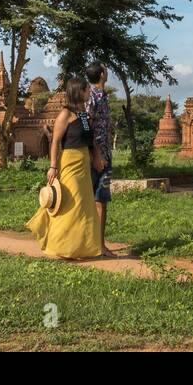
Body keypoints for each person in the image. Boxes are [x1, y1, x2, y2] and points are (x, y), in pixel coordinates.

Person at [26, 73, 105, 260]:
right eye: (86, 89)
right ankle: (60, 246)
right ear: (79, 92)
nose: (89, 92)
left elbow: (90, 139)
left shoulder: (84, 115)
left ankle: (80, 248)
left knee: (84, 205)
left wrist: (97, 157)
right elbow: (54, 141)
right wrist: (53, 166)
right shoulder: (65, 114)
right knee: (71, 204)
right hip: (68, 161)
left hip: (83, 161)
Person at [85, 61, 115, 257]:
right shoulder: (92, 97)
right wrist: (95, 154)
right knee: (93, 199)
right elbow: (86, 124)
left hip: (103, 154)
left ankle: (98, 244)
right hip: (95, 156)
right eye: (106, 69)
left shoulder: (101, 96)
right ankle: (95, 245)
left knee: (100, 200)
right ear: (102, 74)